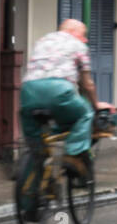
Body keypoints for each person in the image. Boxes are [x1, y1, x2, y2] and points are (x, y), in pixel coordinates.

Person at [20, 18, 99, 179]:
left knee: (36, 144)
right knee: (85, 114)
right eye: (83, 35)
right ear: (72, 32)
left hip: (28, 91)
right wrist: (96, 104)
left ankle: (30, 183)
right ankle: (72, 154)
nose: (86, 39)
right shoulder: (79, 45)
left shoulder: (43, 40)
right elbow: (87, 84)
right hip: (59, 90)